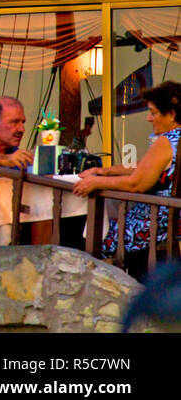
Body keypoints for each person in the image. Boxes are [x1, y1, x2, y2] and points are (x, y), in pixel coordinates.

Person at [74, 82, 181, 274]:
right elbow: (144, 167)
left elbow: (136, 184)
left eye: (154, 113)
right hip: (172, 223)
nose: (149, 118)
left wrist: (96, 182)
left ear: (172, 114)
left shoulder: (166, 142)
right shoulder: (176, 140)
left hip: (150, 227)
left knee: (81, 231)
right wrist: (105, 171)